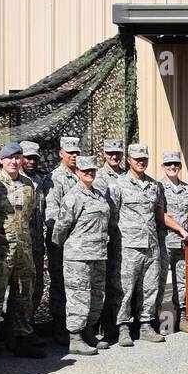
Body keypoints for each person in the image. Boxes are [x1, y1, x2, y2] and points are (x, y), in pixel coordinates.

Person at [114, 144, 188, 346]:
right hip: (128, 246)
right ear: (129, 160)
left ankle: (146, 325)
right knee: (126, 289)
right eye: (137, 158)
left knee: (149, 289)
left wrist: (180, 229)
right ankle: (123, 327)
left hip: (152, 245)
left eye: (144, 158)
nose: (141, 162)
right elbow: (112, 216)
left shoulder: (154, 186)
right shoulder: (119, 185)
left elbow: (159, 214)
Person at [0, 143, 46, 359]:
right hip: (1, 251)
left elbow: (29, 218)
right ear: (1, 160)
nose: (14, 162)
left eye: (18, 158)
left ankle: (19, 339)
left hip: (24, 250)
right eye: (10, 158)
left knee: (23, 296)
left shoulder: (29, 185)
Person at [52, 155, 117, 355]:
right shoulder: (73, 197)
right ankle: (75, 338)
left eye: (92, 170)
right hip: (78, 257)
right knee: (78, 297)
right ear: (78, 172)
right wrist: (70, 248)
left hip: (98, 254)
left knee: (96, 296)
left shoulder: (99, 195)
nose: (89, 173)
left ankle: (88, 332)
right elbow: (60, 228)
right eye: (85, 170)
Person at [42, 136, 82, 345]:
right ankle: (60, 327)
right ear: (61, 153)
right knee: (61, 284)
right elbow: (52, 216)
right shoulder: (54, 178)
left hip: (82, 244)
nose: (74, 156)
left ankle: (80, 327)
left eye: (77, 152)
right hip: (62, 243)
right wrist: (69, 236)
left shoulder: (82, 175)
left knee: (79, 285)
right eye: (70, 152)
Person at [157, 150, 188, 333]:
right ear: (163, 167)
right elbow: (160, 214)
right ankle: (161, 321)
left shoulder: (187, 188)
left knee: (183, 281)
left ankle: (182, 317)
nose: (173, 167)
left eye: (176, 164)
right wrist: (179, 229)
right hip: (165, 242)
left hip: (183, 243)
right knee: (161, 281)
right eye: (169, 164)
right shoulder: (158, 187)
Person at [98, 138, 127, 341]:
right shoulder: (98, 176)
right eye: (110, 153)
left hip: (123, 238)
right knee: (103, 282)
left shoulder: (127, 175)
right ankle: (105, 326)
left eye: (117, 153)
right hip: (104, 237)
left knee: (119, 281)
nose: (114, 157)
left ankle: (120, 323)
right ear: (104, 154)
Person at [19, 140, 48, 323]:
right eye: (28, 157)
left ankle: (28, 325)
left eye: (34, 158)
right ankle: (15, 330)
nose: (31, 162)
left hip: (37, 242)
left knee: (36, 286)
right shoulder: (14, 179)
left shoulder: (40, 180)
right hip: (20, 244)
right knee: (20, 288)